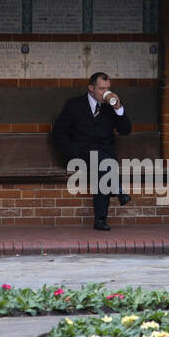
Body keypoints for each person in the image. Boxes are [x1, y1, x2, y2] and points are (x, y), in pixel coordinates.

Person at [51, 71, 132, 230]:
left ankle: (100, 220)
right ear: (91, 89)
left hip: (104, 157)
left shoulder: (111, 106)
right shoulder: (74, 105)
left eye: (108, 88)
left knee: (104, 167)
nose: (106, 92)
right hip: (81, 153)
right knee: (104, 163)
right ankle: (117, 191)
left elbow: (126, 130)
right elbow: (58, 132)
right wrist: (71, 150)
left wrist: (118, 108)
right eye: (102, 89)